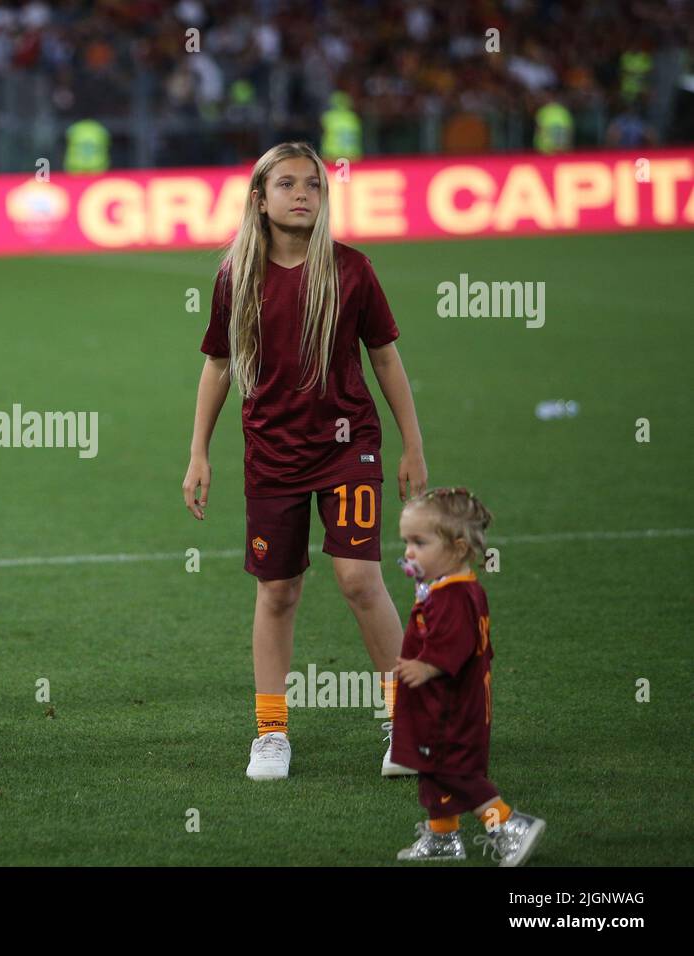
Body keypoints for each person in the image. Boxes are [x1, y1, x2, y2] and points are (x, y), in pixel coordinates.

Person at [182, 141, 427, 781]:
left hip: (349, 448)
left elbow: (385, 358)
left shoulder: (352, 270)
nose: (302, 195)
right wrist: (199, 452)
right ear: (259, 200)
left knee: (358, 579)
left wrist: (413, 444)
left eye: (313, 186)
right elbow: (218, 365)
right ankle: (270, 732)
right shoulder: (236, 275)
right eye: (286, 184)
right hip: (272, 456)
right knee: (279, 591)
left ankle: (408, 722)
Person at [393, 487, 545, 865]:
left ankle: (507, 825)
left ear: (458, 549)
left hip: (452, 707)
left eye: (419, 542)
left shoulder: (455, 596)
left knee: (457, 774)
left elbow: (455, 644)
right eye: (406, 542)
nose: (408, 552)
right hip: (438, 704)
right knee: (432, 770)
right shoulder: (444, 586)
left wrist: (425, 666)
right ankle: (443, 837)